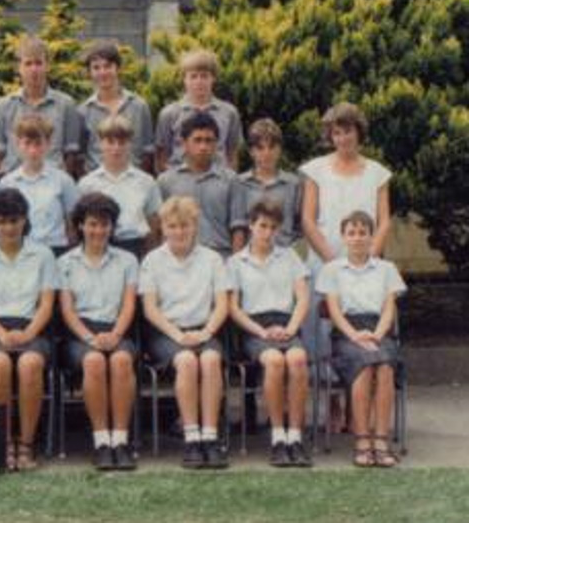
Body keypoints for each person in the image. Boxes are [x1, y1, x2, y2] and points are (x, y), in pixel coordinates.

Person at [299, 102, 393, 430]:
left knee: (361, 329)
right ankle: (334, 403)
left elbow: (383, 222)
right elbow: (308, 220)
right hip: (325, 265)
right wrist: (335, 262)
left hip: (366, 268)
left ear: (359, 132)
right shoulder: (315, 170)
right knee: (324, 335)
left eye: (347, 131)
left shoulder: (377, 173)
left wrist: (366, 259)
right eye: (336, 132)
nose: (342, 138)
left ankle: (359, 410)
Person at [0, 188, 59, 471]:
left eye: (15, 220)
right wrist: (1, 334)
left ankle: (26, 445)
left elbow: (46, 304)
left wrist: (29, 333)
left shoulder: (43, 255)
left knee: (30, 363)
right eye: (2, 221)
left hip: (33, 328)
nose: (9, 227)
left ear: (25, 220)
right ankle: (3, 442)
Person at [140, 196, 232, 469]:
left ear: (195, 226)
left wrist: (206, 332)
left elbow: (222, 304)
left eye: (185, 225)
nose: (179, 232)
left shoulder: (212, 259)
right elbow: (150, 309)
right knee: (187, 361)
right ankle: (191, 438)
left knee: (210, 360)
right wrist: (178, 337)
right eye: (172, 226)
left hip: (204, 329)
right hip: (167, 334)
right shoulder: (152, 261)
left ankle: (210, 437)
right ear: (163, 228)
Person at [315, 211, 406, 468]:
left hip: (379, 330)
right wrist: (355, 335)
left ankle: (381, 439)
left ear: (371, 236)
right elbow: (333, 310)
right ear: (343, 237)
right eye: (351, 233)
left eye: (363, 232)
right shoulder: (331, 270)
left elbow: (389, 308)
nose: (357, 238)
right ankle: (362, 440)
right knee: (365, 365)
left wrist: (377, 334)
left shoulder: (386, 269)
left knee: (385, 365)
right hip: (346, 333)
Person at [57, 193, 139, 470]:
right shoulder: (65, 263)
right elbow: (68, 311)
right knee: (93, 361)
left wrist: (115, 335)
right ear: (80, 226)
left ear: (112, 227)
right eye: (92, 224)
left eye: (104, 225)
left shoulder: (127, 260)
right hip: (80, 334)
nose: (98, 231)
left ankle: (120, 440)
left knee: (121, 360)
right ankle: (101, 441)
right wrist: (91, 339)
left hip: (117, 329)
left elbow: (128, 306)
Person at [227, 200, 311, 467]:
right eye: (262, 225)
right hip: (254, 328)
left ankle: (295, 436)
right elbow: (233, 308)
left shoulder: (290, 257)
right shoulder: (236, 262)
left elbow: (303, 298)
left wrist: (291, 329)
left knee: (297, 359)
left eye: (273, 227)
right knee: (274, 361)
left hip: (287, 325)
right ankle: (277, 437)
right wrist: (262, 331)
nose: (267, 232)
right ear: (251, 226)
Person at [0, 34, 83, 176]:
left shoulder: (65, 105)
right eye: (28, 63)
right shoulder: (3, 106)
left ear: (47, 66)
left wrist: (62, 181)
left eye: (38, 63)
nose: (34, 69)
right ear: (18, 68)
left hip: (53, 182)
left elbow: (71, 151)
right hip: (14, 182)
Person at [156, 112, 245, 257]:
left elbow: (238, 227)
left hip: (221, 256)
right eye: (197, 140)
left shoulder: (231, 180)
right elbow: (159, 228)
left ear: (216, 144)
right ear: (184, 143)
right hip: (178, 259)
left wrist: (236, 265)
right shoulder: (166, 181)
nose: (203, 146)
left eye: (209, 140)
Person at [76, 114, 161, 258]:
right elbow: (80, 223)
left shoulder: (146, 182)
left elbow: (154, 222)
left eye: (122, 142)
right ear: (101, 143)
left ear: (130, 144)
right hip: (100, 246)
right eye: (110, 142)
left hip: (136, 246)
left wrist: (149, 254)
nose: (116, 148)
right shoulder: (87, 183)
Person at [0, 113, 80, 255]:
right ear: (18, 144)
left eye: (38, 143)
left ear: (48, 144)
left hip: (55, 248)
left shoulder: (63, 181)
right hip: (21, 250)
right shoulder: (7, 183)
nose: (33, 150)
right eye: (27, 143)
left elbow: (71, 224)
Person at [154, 48, 244, 171]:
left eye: (204, 76)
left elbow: (232, 153)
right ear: (184, 80)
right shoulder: (169, 113)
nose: (199, 81)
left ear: (213, 78)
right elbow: (162, 155)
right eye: (193, 76)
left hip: (218, 181)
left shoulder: (229, 112)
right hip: (180, 182)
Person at [77, 39, 155, 174]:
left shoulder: (139, 106)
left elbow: (148, 151)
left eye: (107, 66)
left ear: (118, 68)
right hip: (97, 185)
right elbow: (81, 156)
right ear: (89, 72)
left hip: (133, 182)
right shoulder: (83, 112)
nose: (102, 72)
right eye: (96, 67)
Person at [234, 118, 302, 248]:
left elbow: (299, 226)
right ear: (251, 152)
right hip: (251, 257)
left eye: (272, 147)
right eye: (260, 148)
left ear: (279, 149)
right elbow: (238, 227)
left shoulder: (293, 183)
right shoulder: (239, 183)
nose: (267, 153)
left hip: (284, 255)